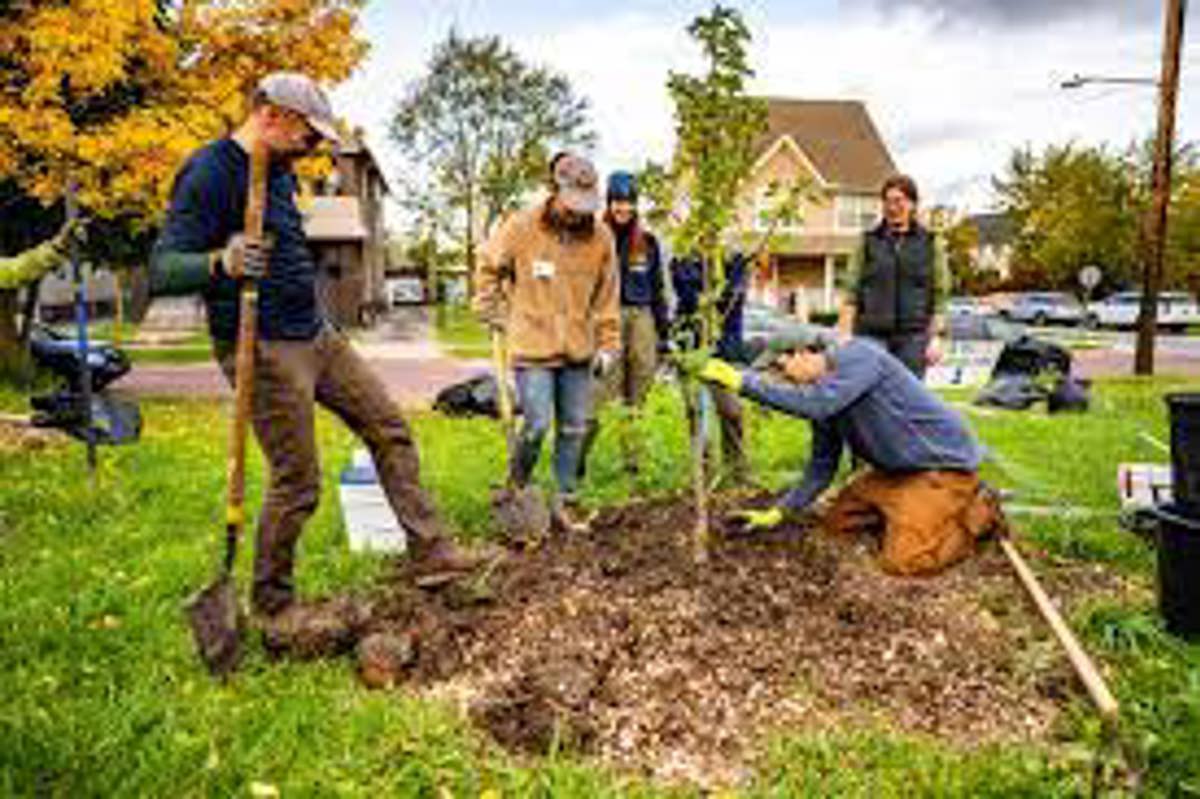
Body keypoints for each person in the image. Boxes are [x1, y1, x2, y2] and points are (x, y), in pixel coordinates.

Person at [151, 72, 489, 618]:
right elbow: (163, 269)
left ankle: (431, 551)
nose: (313, 148)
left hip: (315, 332)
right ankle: (272, 603)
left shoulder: (280, 173)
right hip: (260, 345)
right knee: (299, 481)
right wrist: (221, 261)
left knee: (389, 428)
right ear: (271, 114)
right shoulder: (208, 173)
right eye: (308, 135)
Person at [699, 335, 1005, 576]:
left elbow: (817, 404)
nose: (782, 380)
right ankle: (913, 516)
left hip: (940, 467)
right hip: (897, 474)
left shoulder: (860, 358)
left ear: (803, 352)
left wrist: (743, 383)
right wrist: (779, 512)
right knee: (837, 523)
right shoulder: (823, 399)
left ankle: (977, 513)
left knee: (904, 561)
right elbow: (821, 468)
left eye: (780, 369)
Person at [474, 152, 620, 533]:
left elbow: (607, 298)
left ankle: (565, 499)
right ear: (554, 190)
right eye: (572, 205)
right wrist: (489, 307)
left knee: (575, 426)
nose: (578, 214)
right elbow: (488, 265)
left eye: (586, 207)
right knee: (537, 424)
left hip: (577, 349)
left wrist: (608, 345)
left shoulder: (601, 238)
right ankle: (517, 487)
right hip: (532, 347)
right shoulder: (522, 227)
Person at [578, 170, 670, 478]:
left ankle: (633, 465)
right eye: (618, 201)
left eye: (629, 202)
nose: (623, 208)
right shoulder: (593, 237)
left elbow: (657, 290)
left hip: (642, 318)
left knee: (637, 396)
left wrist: (664, 335)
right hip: (606, 319)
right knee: (600, 393)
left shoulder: (648, 242)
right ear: (608, 202)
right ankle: (574, 464)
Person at [837, 174, 951, 379]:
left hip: (913, 337)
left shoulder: (931, 243)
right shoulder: (867, 242)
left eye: (899, 201)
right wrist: (844, 334)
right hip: (871, 335)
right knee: (870, 393)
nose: (892, 207)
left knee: (909, 398)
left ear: (913, 204)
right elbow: (851, 291)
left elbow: (940, 295)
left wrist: (937, 338)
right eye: (887, 201)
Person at [671, 250, 751, 484]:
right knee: (696, 413)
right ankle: (702, 473)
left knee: (732, 411)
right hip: (692, 348)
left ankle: (737, 471)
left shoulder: (734, 259)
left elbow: (734, 297)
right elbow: (687, 299)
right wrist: (710, 295)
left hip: (725, 348)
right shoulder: (682, 260)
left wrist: (708, 297)